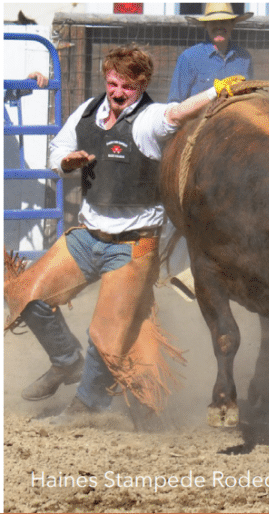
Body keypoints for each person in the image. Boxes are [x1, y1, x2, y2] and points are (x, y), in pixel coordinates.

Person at [3, 44, 245, 425]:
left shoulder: (149, 119)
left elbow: (177, 112)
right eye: (113, 83)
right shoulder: (86, 112)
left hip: (134, 245)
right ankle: (67, 362)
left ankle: (86, 407)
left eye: (127, 87)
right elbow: (57, 151)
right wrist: (65, 162)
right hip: (88, 233)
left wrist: (216, 90)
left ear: (142, 85)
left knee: (107, 334)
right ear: (106, 79)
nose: (117, 93)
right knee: (26, 294)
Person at [167, 3, 253, 103]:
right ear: (205, 25)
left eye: (224, 22)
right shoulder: (189, 58)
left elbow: (249, 97)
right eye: (213, 22)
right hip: (200, 118)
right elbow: (175, 102)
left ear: (232, 24)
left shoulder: (244, 58)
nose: (219, 26)